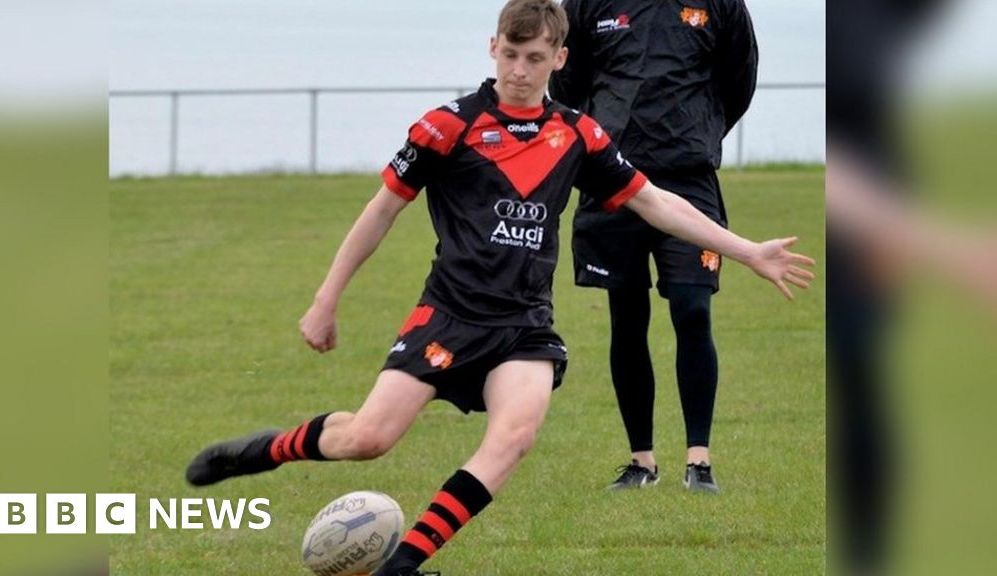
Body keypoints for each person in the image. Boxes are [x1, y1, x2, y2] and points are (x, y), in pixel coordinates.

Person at [185, 1, 812, 574]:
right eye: (510, 55)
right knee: (367, 439)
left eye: (535, 58)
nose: (520, 70)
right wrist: (327, 299)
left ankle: (401, 566)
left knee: (514, 437)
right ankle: (266, 450)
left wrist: (748, 250)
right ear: (493, 49)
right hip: (448, 315)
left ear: (559, 59)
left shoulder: (578, 134)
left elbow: (657, 204)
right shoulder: (446, 126)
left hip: (524, 330)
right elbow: (380, 212)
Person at [549, 0, 759, 493]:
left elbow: (739, 80)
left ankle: (699, 461)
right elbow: (567, 83)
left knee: (692, 310)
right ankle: (641, 460)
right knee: (627, 317)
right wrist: (602, 143)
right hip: (613, 182)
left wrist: (699, 130)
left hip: (689, 180)